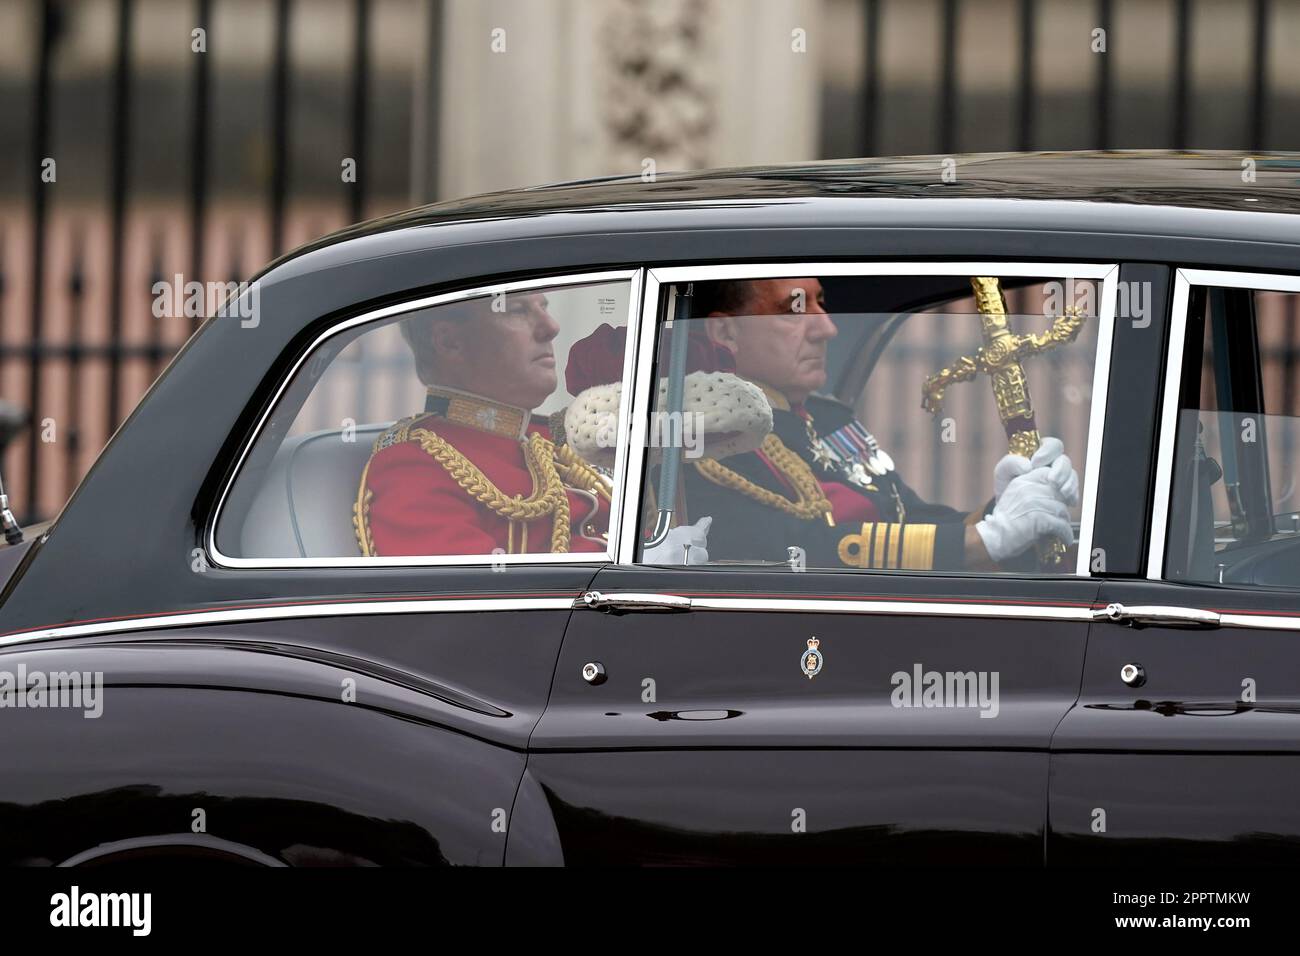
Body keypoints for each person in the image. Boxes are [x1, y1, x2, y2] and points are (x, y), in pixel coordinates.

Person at [675, 277, 1079, 570]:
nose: (826, 328)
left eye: (821, 303)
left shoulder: (829, 418)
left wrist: (1004, 507)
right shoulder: (713, 439)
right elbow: (797, 552)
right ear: (725, 332)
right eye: (795, 310)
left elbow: (908, 518)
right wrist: (985, 540)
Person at [354, 291, 612, 557]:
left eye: (543, 307)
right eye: (518, 310)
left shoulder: (550, 439)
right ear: (450, 342)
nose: (550, 327)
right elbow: (477, 595)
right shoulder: (414, 467)